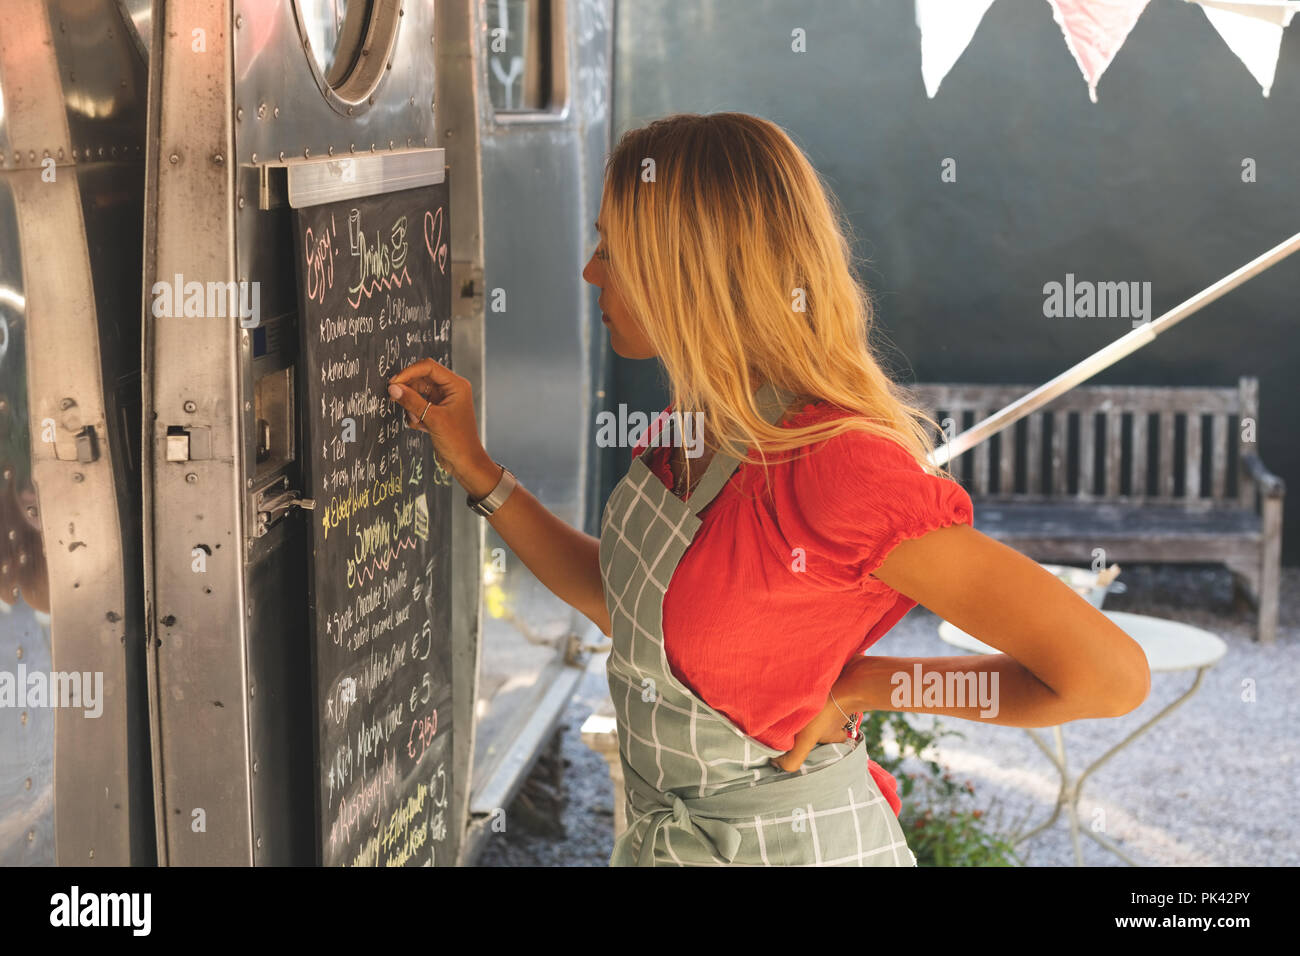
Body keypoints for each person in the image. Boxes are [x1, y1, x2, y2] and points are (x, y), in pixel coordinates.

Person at [387, 111, 1150, 867]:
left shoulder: (836, 468)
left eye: (613, 249)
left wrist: (862, 687)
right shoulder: (702, 424)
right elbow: (631, 611)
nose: (591, 271)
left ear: (693, 270)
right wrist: (476, 469)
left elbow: (1107, 677)